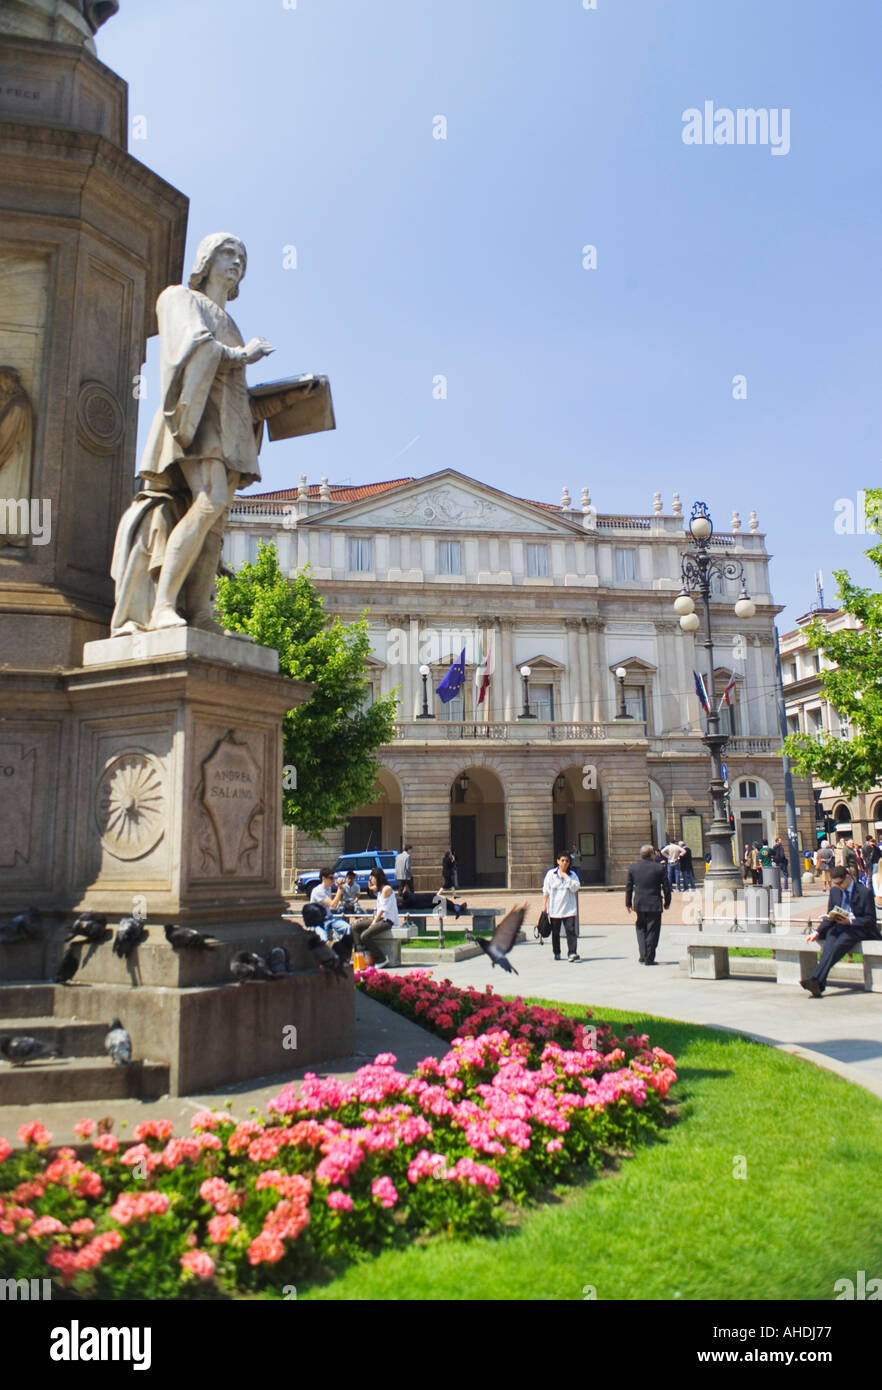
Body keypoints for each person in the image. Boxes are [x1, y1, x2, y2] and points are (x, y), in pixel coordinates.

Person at [110, 232, 274, 634]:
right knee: (209, 501)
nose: (236, 262)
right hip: (196, 419)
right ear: (206, 259)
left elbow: (231, 383)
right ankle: (164, 604)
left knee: (216, 520)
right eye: (227, 253)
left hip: (230, 424)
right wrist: (241, 355)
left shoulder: (231, 321)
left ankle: (200, 612)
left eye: (242, 257)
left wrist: (283, 400)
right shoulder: (178, 297)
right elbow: (191, 348)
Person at [800, 866, 881, 997]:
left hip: (858, 929)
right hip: (838, 926)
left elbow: (870, 919)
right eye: (835, 884)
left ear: (848, 877)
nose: (838, 886)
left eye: (840, 883)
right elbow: (830, 914)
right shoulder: (835, 892)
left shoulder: (864, 892)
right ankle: (817, 982)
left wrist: (850, 921)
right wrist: (818, 932)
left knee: (839, 945)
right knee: (829, 945)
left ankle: (816, 980)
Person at [625, 845, 672, 965]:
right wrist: (667, 902)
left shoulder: (633, 868)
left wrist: (628, 903)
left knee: (640, 928)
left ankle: (643, 954)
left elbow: (629, 887)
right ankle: (649, 957)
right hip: (654, 903)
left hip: (639, 903)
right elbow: (666, 887)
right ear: (652, 854)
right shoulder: (659, 868)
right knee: (653, 930)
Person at [351, 868, 400, 969]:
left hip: (387, 921)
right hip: (380, 919)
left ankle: (381, 959)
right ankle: (361, 955)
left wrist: (373, 922)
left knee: (365, 936)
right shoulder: (379, 891)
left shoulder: (386, 889)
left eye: (371, 879)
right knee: (355, 927)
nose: (370, 881)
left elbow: (382, 910)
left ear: (377, 878)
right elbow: (378, 910)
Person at [541, 851, 582, 962]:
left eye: (567, 861)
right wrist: (544, 906)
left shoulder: (572, 875)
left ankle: (572, 952)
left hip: (569, 909)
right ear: (558, 861)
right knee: (555, 932)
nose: (564, 863)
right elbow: (546, 891)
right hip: (555, 909)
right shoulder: (551, 874)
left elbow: (576, 888)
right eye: (562, 860)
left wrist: (566, 877)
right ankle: (557, 952)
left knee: (571, 931)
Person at [309, 869, 351, 942]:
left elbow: (335, 901)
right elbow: (333, 905)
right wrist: (340, 888)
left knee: (347, 928)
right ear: (323, 878)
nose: (333, 880)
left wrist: (339, 882)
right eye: (331, 878)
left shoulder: (328, 888)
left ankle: (345, 950)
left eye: (333, 878)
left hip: (329, 918)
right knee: (324, 939)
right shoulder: (318, 891)